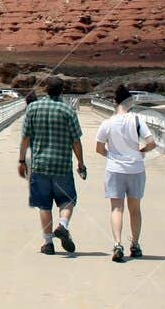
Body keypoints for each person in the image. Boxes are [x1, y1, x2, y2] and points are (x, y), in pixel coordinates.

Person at [17, 78, 86, 254]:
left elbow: (25, 137)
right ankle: (62, 225)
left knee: (44, 205)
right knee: (67, 200)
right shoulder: (68, 111)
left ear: (46, 89)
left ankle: (48, 244)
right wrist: (80, 162)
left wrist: (22, 160)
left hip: (40, 166)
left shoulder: (33, 108)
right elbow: (76, 140)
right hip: (62, 165)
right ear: (61, 91)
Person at [95, 84, 156, 262]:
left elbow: (99, 148)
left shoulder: (107, 123)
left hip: (115, 169)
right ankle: (135, 245)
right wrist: (141, 151)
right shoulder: (137, 120)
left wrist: (111, 155)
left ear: (115, 103)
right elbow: (152, 143)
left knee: (116, 208)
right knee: (135, 209)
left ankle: (117, 243)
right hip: (136, 168)